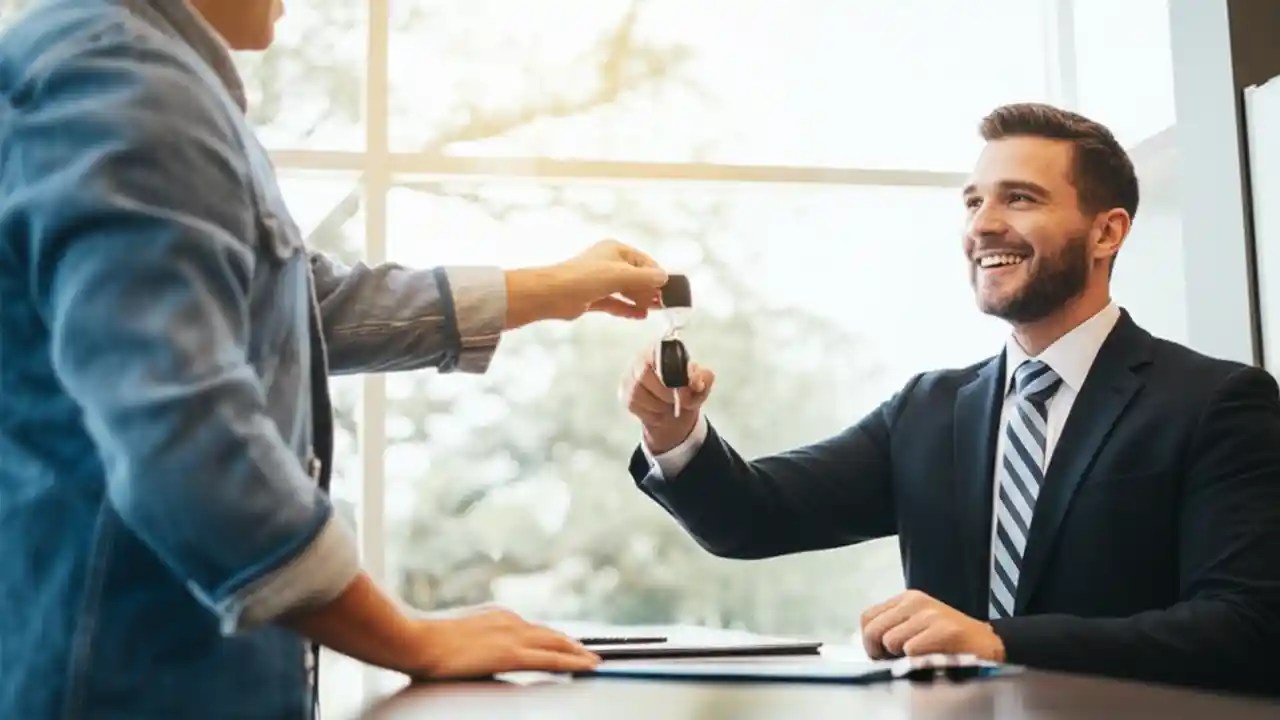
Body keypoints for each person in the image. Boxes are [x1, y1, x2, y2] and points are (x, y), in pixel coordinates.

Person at [0, 1, 669, 717]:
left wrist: (548, 289)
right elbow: (187, 435)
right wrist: (409, 637)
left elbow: (288, 303)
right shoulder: (125, 83)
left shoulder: (141, 75)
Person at [620, 102, 1280, 695]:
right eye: (972, 202)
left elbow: (1245, 629)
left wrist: (999, 641)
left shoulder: (1217, 403)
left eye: (1019, 198)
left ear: (1106, 233)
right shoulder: (930, 410)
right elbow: (753, 517)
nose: (984, 226)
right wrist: (673, 434)